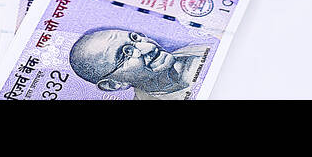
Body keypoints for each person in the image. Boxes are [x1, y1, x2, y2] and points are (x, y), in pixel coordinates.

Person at [67, 28, 211, 100]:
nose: (148, 47)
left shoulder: (200, 47)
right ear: (113, 84)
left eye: (135, 38)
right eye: (126, 54)